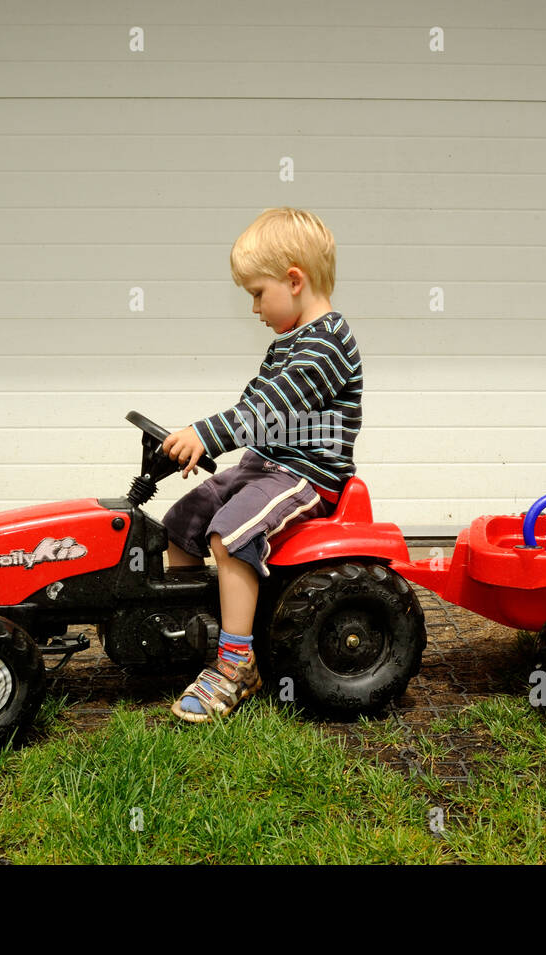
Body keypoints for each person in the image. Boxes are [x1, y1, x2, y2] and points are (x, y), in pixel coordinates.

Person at [160, 207, 363, 722]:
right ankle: (191, 635)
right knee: (182, 522)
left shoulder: (328, 345)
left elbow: (268, 408)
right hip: (264, 465)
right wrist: (203, 445)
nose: (253, 307)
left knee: (229, 534)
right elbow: (255, 405)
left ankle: (235, 666)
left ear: (294, 280)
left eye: (256, 292)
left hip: (304, 476)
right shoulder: (288, 342)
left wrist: (206, 434)